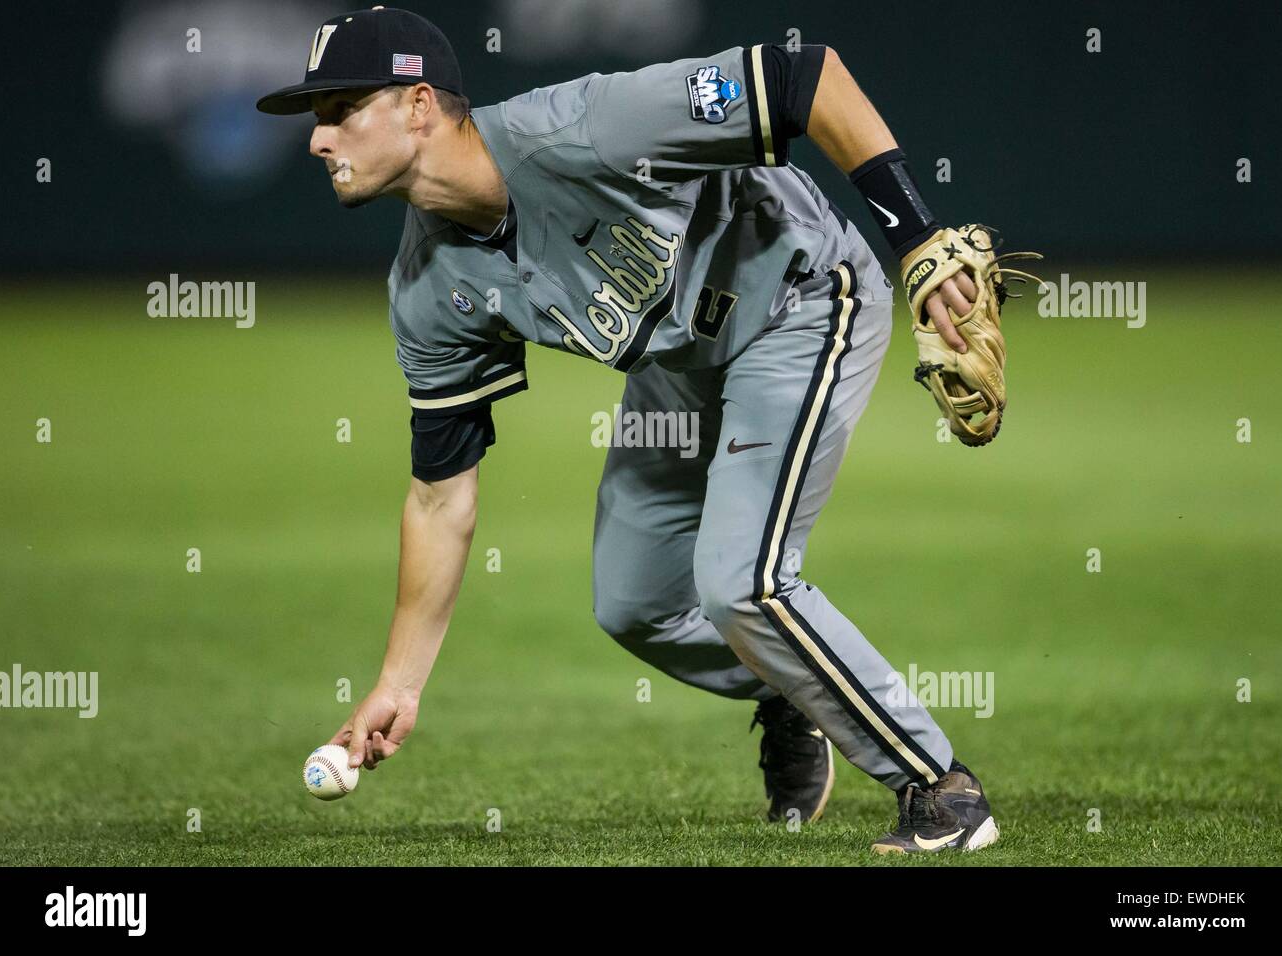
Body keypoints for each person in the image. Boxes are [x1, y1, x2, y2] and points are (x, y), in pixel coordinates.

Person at [258, 5, 1004, 853]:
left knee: (740, 580)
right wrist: (399, 682)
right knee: (634, 604)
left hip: (800, 299)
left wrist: (916, 237)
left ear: (421, 106)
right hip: (680, 363)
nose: (319, 139)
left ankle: (940, 788)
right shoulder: (428, 288)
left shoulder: (589, 127)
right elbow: (440, 498)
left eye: (339, 111)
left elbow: (806, 78)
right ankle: (792, 691)